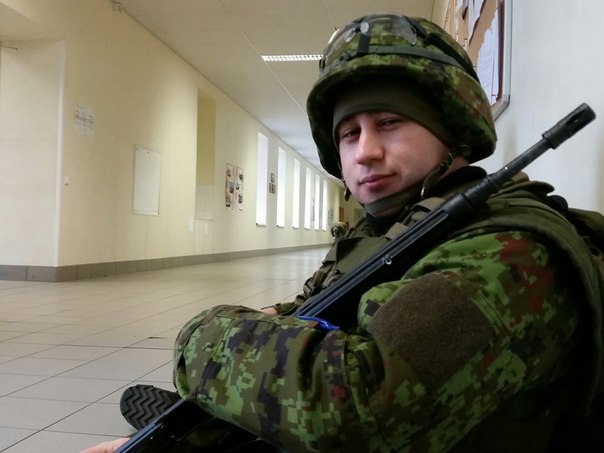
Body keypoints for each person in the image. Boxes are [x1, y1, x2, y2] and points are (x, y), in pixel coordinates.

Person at [82, 13, 604, 453]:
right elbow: (328, 308)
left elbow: (358, 406)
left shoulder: (510, 250)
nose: (365, 151)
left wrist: (205, 337)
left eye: (390, 122)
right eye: (350, 133)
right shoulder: (396, 224)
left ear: (449, 128)